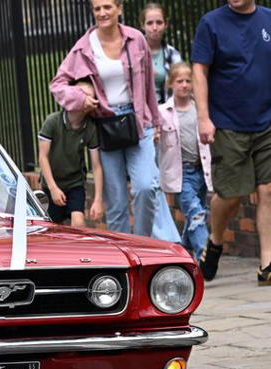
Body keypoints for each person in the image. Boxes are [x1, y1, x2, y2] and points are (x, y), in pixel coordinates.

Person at [50, 0, 178, 242]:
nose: (102, 13)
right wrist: (80, 99)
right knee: (116, 201)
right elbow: (57, 84)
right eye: (97, 8)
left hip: (138, 123)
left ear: (119, 8)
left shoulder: (136, 39)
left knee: (146, 187)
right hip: (105, 128)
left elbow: (148, 86)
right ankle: (123, 253)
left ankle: (141, 244)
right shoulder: (83, 48)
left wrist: (155, 122)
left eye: (107, 7)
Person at [192, 0, 271, 284]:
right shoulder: (211, 23)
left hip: (267, 121)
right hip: (227, 123)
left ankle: (267, 263)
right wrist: (203, 117)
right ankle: (214, 241)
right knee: (231, 195)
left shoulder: (268, 19)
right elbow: (199, 70)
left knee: (268, 190)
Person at [157, 63, 213, 261]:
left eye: (188, 81)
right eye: (179, 81)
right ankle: (203, 259)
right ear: (171, 83)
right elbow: (153, 136)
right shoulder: (163, 112)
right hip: (181, 173)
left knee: (195, 214)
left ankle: (184, 246)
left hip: (202, 170)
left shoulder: (200, 109)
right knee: (196, 213)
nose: (184, 85)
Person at [38, 79, 104, 227]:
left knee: (78, 222)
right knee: (55, 228)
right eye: (83, 95)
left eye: (91, 96)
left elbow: (96, 166)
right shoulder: (52, 122)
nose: (88, 99)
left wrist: (98, 200)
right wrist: (53, 188)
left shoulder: (90, 128)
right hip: (52, 183)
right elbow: (42, 157)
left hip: (75, 183)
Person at [140, 3, 182, 104]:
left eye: (159, 22)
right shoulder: (133, 52)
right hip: (140, 110)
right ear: (142, 25)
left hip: (166, 108)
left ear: (166, 24)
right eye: (149, 23)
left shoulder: (173, 55)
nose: (155, 28)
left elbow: (181, 84)